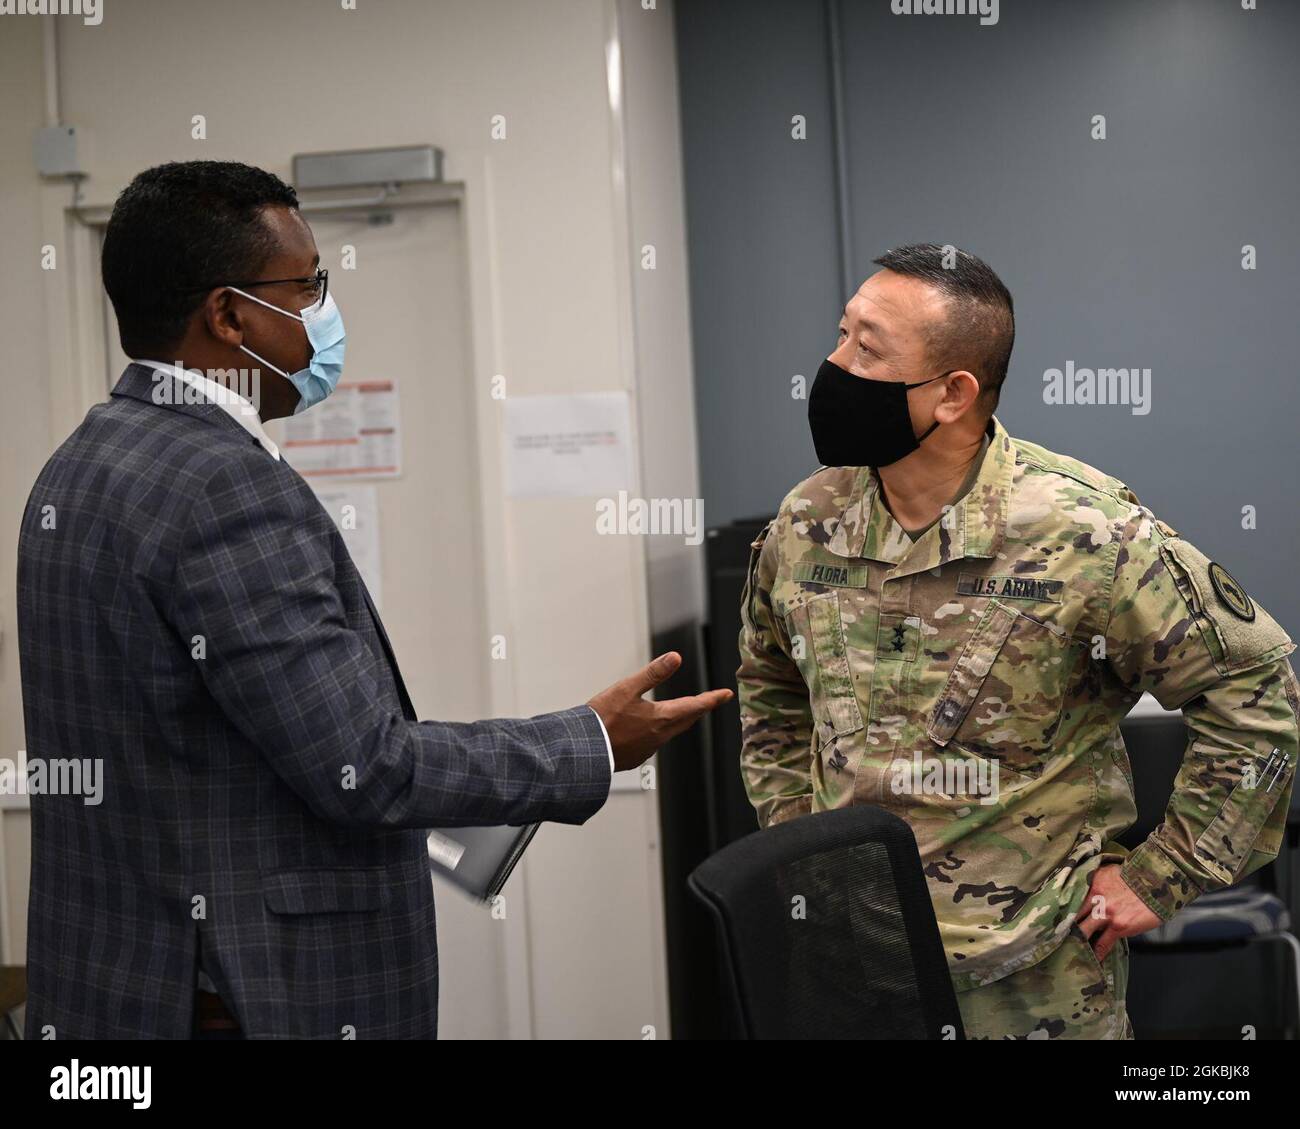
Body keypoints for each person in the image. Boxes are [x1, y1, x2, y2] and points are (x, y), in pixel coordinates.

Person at [17, 160, 730, 1040]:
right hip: (241, 996)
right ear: (229, 314)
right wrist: (586, 741)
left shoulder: (82, 462)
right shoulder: (222, 487)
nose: (324, 310)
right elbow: (365, 767)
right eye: (307, 284)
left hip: (119, 983)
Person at [738, 242, 1298, 1039]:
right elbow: (769, 686)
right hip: (850, 973)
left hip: (1031, 983)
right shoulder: (808, 523)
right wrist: (798, 845)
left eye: (867, 347)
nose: (833, 365)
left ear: (954, 393)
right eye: (840, 335)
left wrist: (1163, 876)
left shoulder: (1084, 532)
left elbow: (1259, 695)